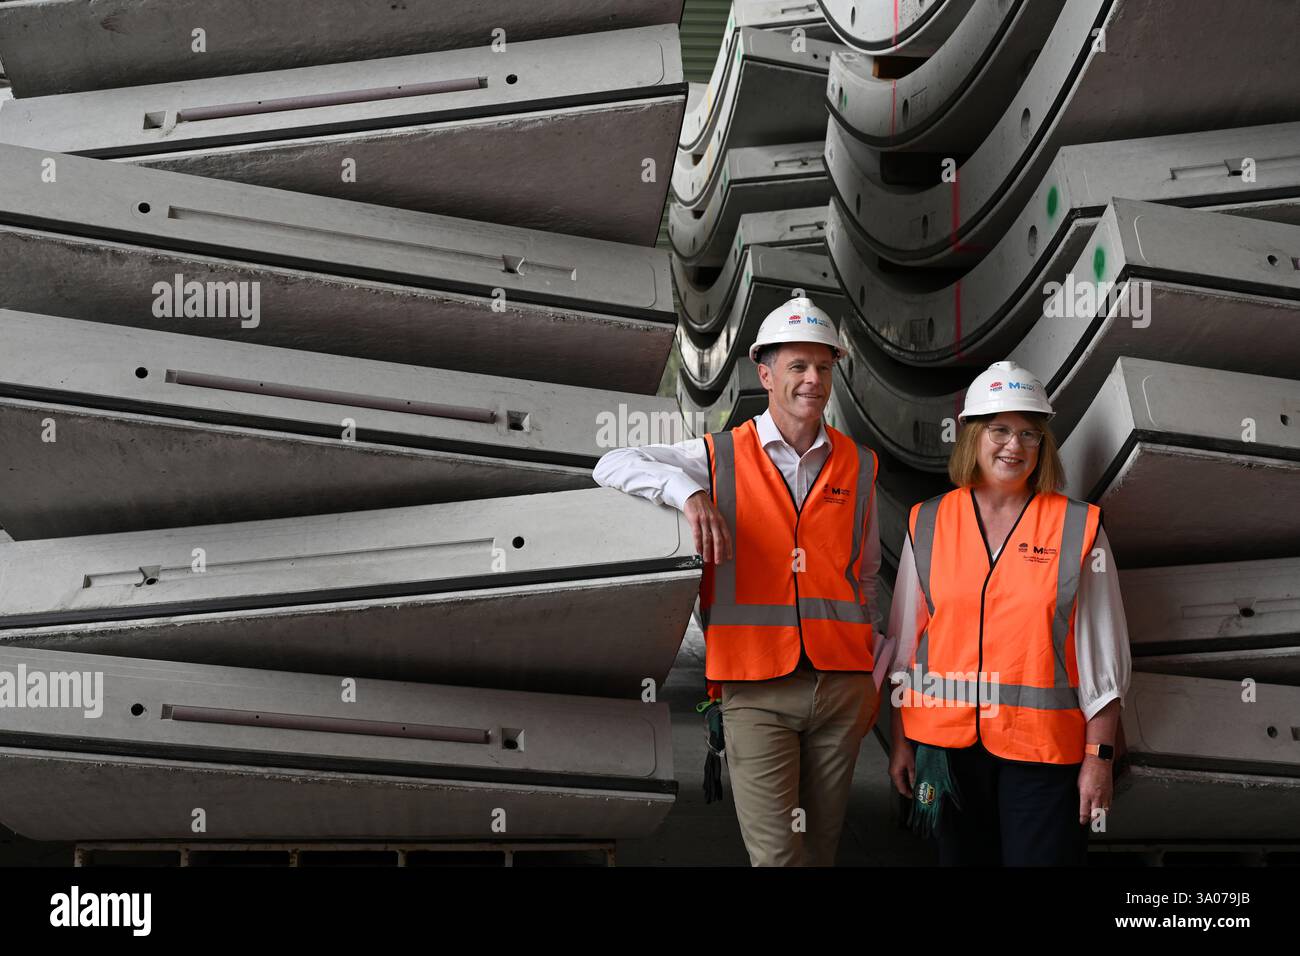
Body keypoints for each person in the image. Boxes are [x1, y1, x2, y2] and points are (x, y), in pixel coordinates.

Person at [594, 295, 882, 866]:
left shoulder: (861, 464)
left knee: (819, 853)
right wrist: (689, 492)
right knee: (778, 858)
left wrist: (866, 661)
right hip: (756, 689)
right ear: (766, 372)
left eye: (823, 367)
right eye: (798, 366)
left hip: (843, 688)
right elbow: (612, 463)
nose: (813, 380)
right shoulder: (718, 456)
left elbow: (865, 573)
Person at [885, 360, 1131, 866]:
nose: (1013, 446)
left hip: (1043, 755)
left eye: (1028, 434)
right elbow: (905, 648)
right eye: (999, 429)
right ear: (973, 436)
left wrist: (1098, 759)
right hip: (944, 752)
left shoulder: (1077, 528)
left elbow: (1104, 663)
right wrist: (901, 743)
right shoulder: (927, 523)